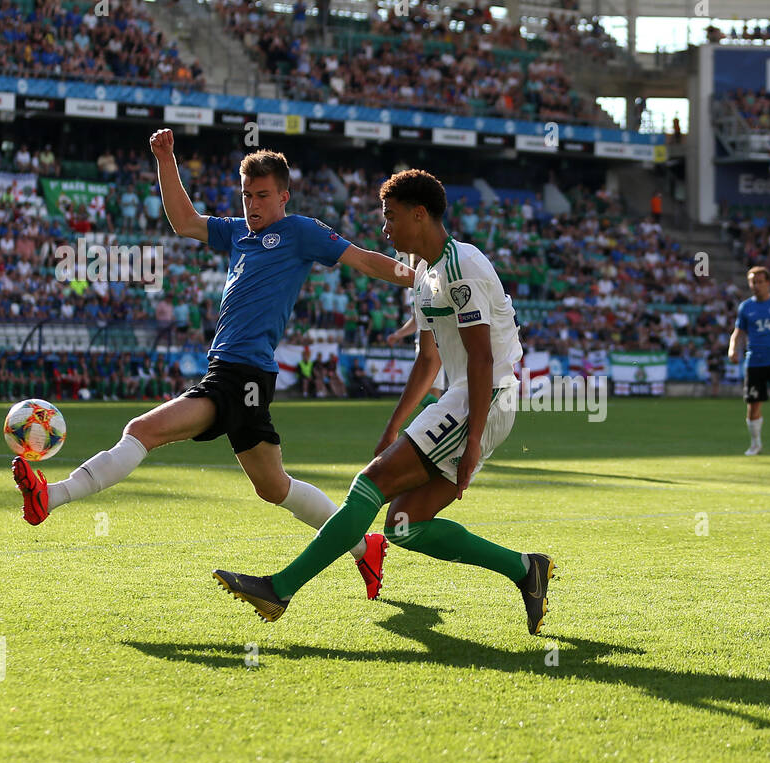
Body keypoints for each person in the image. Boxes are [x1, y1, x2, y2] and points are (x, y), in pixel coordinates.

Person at [11, 129, 417, 599]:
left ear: (284, 196)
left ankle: (50, 496)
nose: (253, 204)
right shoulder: (236, 232)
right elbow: (184, 221)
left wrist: (421, 277)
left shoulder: (301, 231)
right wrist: (166, 159)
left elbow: (365, 261)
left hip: (242, 376)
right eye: (247, 195)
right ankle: (364, 547)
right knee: (273, 486)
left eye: (263, 195)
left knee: (143, 430)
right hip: (230, 373)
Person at [211, 169, 554, 635]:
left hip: (484, 396)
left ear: (420, 215)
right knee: (404, 524)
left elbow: (480, 356)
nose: (385, 229)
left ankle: (280, 589)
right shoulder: (426, 277)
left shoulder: (463, 267)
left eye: (391, 218)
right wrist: (395, 426)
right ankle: (525, 569)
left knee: (371, 482)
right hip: (468, 399)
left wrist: (473, 439)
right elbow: (428, 360)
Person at [728, 267, 770, 456]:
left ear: (768, 283)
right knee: (753, 405)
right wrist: (733, 348)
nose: (756, 285)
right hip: (754, 362)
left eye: (760, 281)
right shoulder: (746, 307)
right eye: (753, 282)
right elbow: (738, 332)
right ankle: (755, 444)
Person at [387, 315, 445, 405]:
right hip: (423, 345)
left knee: (424, 388)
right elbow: (415, 320)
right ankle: (438, 416)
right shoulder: (414, 301)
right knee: (429, 388)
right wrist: (397, 335)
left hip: (436, 342)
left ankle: (442, 415)